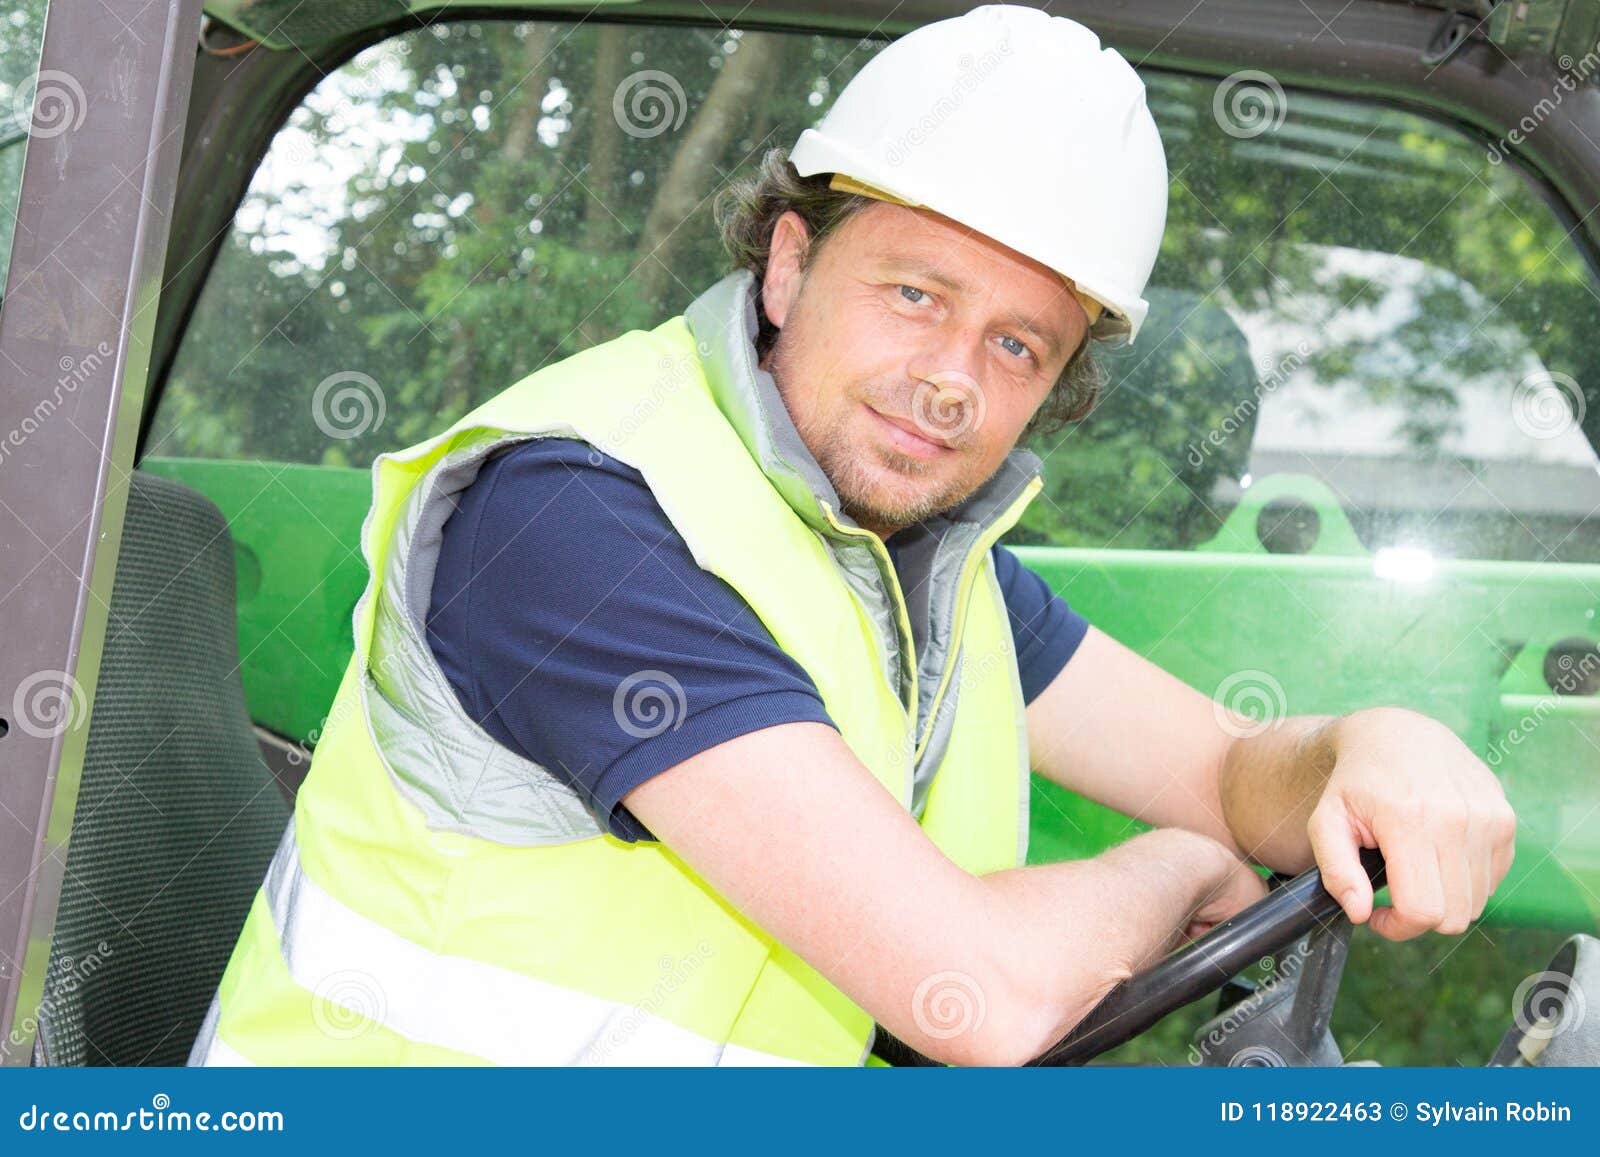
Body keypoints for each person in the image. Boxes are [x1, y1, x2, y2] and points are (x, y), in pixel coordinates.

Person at [190, 3, 1515, 1067]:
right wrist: (1182, 871)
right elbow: (977, 1000)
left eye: (1015, 344)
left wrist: (1367, 742)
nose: (954, 377)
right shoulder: (575, 522)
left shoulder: (923, 567)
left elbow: (1230, 766)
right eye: (913, 293)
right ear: (787, 262)